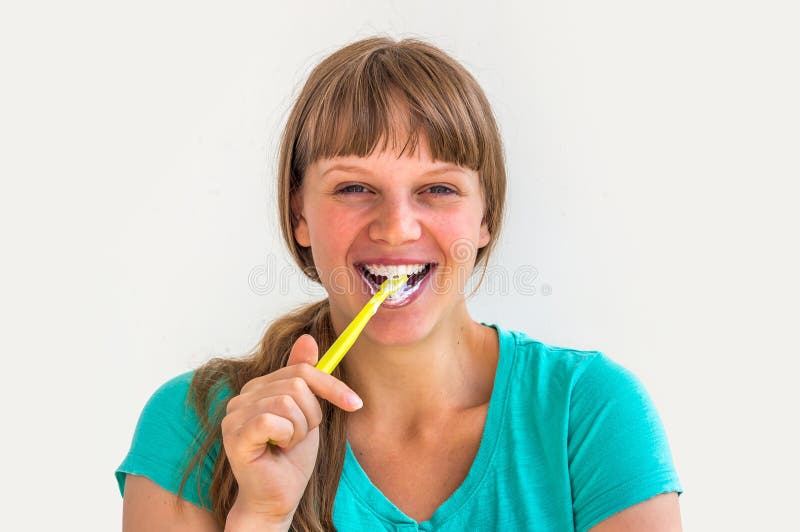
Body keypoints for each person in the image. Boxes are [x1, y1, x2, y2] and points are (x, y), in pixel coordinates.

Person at [116, 37, 683, 531]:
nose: (397, 228)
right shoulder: (192, 426)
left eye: (438, 189)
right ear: (300, 217)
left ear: (486, 218)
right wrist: (261, 518)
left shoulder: (589, 413)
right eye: (354, 188)